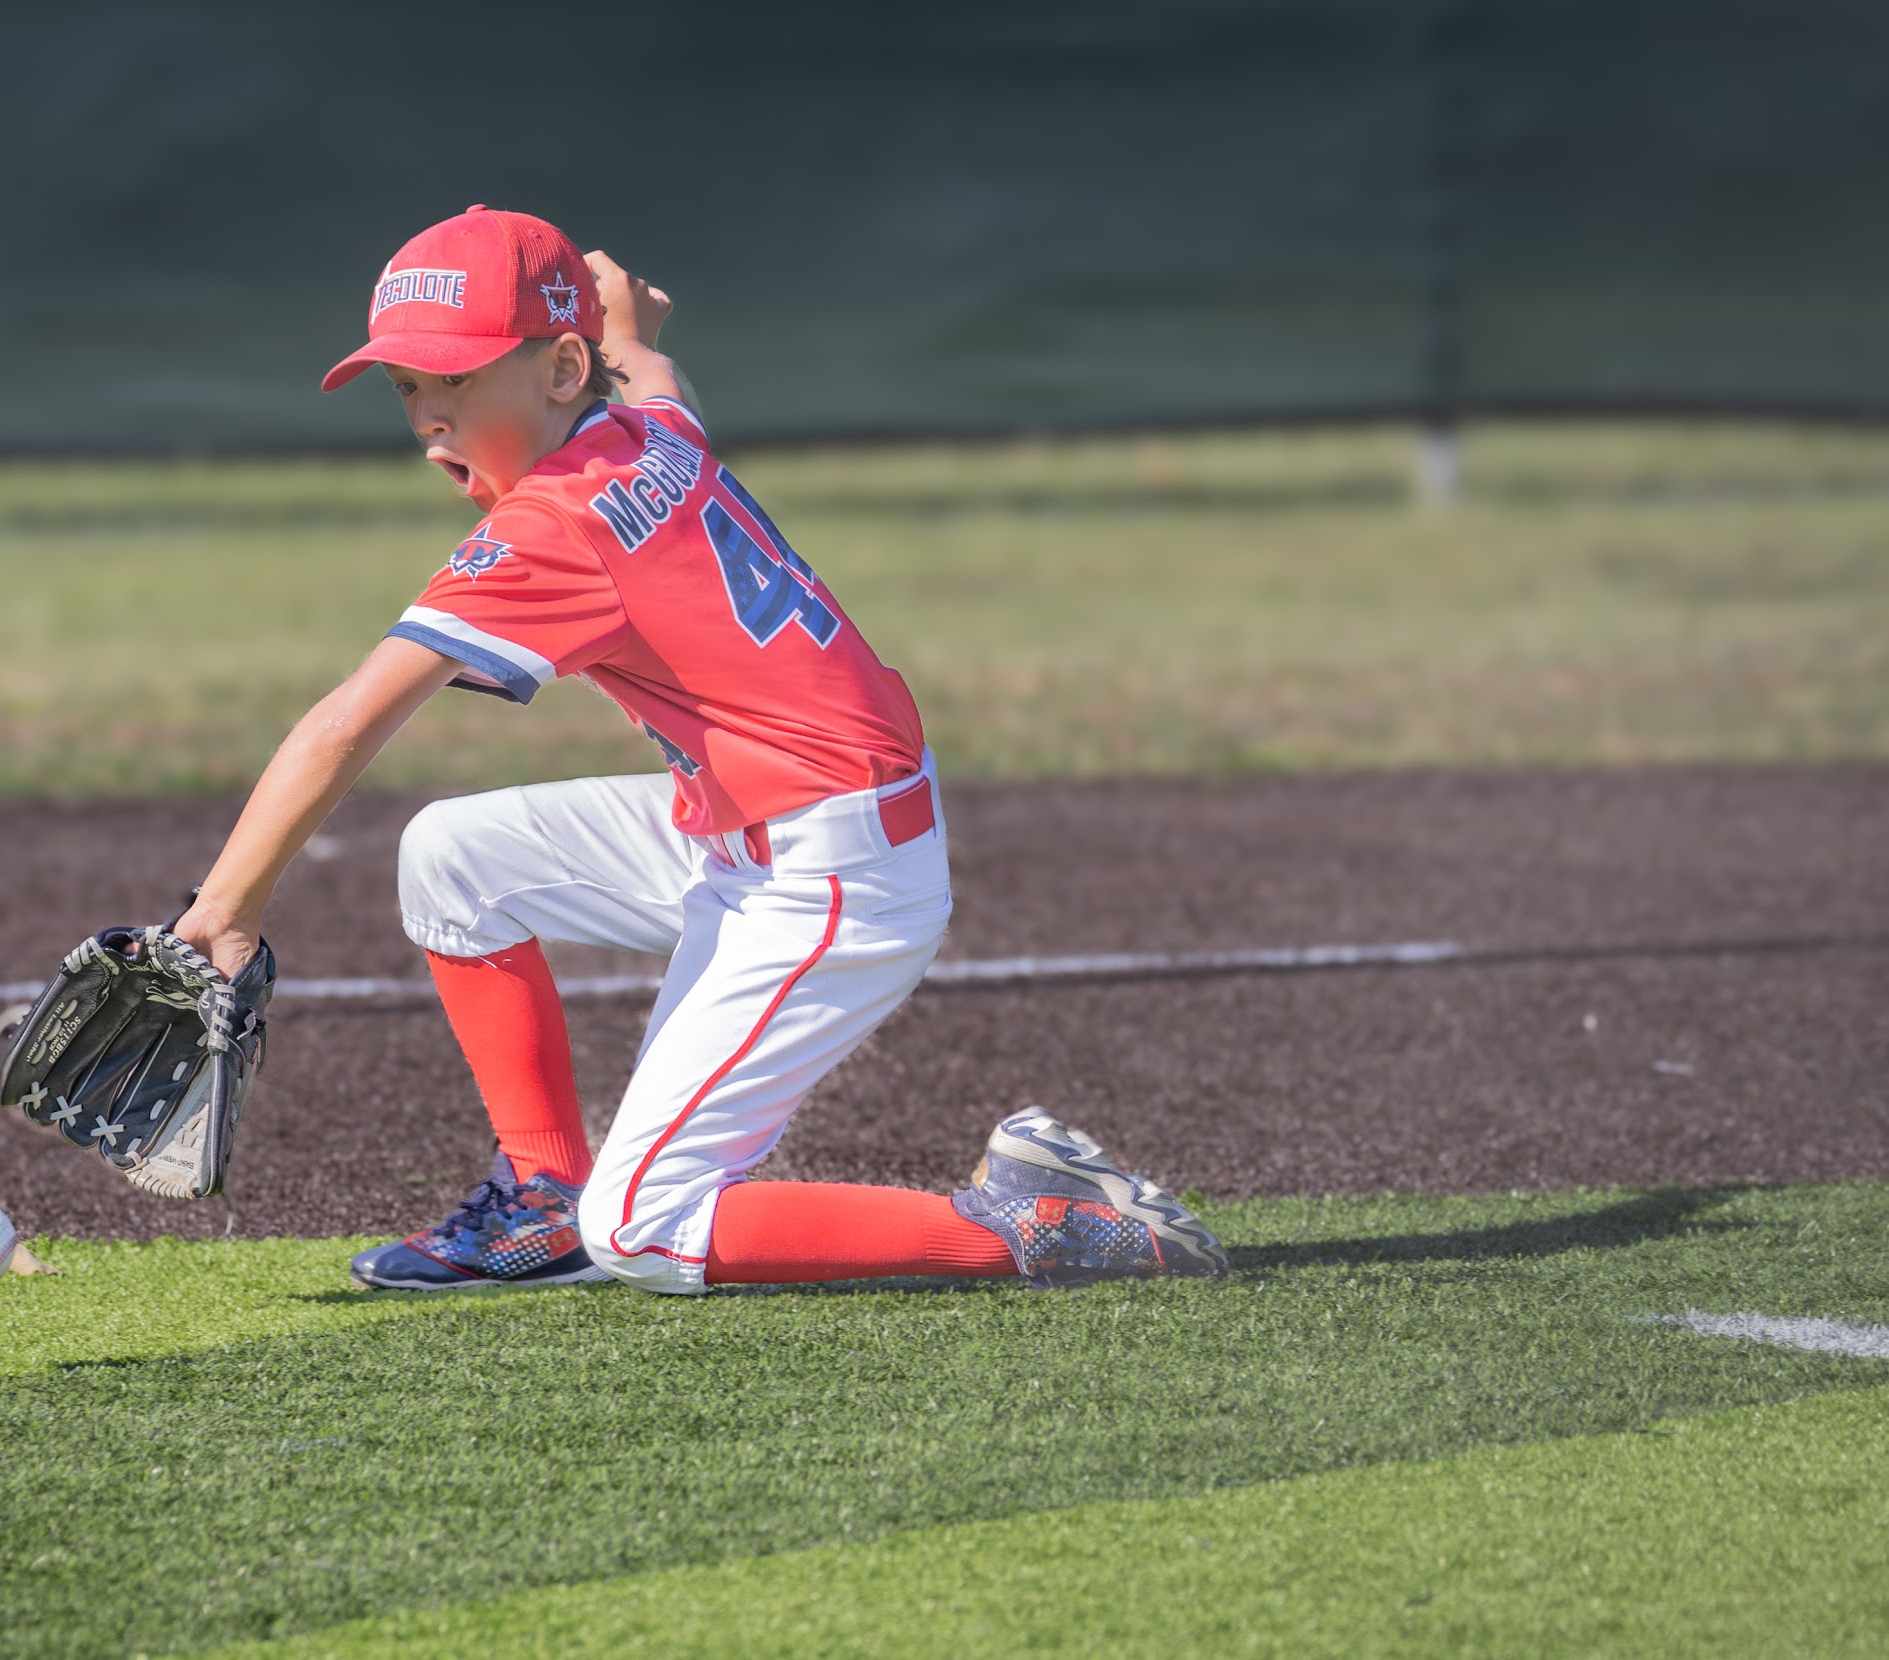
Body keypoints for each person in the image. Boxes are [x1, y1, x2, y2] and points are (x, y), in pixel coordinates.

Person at [169, 205, 1226, 1294]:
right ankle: (542, 1200)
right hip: (767, 827)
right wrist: (626, 327)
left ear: (560, 368)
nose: (431, 419)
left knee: (647, 1228)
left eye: (459, 380)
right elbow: (647, 363)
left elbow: (347, 721)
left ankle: (1028, 1224)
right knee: (450, 855)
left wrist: (225, 912)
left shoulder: (552, 524)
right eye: (409, 390)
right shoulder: (645, 429)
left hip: (835, 878)